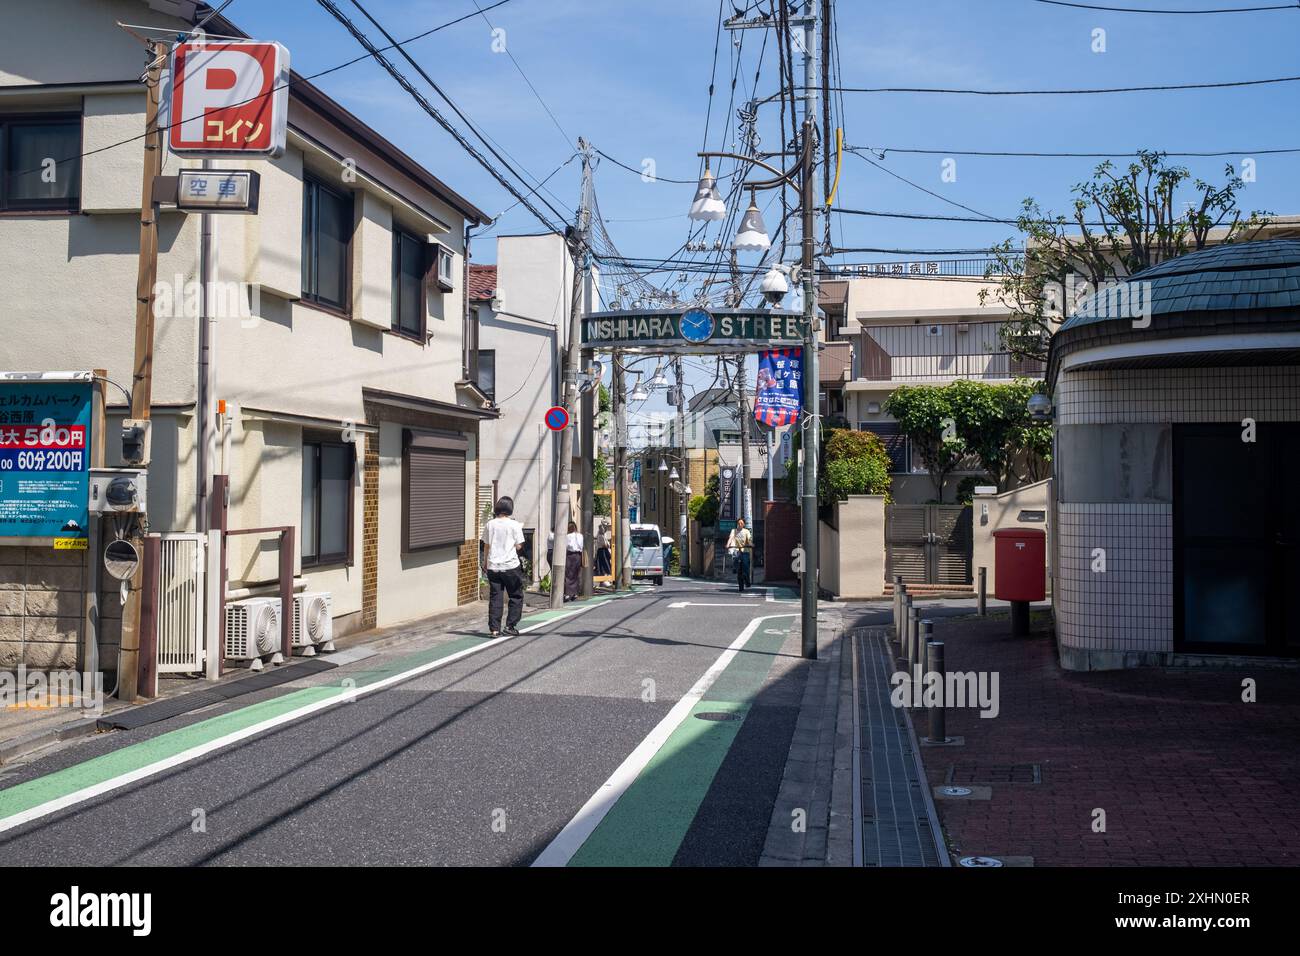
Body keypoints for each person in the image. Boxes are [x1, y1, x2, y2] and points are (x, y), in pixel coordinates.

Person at [480, 497, 525, 636]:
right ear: (510, 509)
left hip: (493, 566)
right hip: (510, 566)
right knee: (516, 596)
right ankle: (510, 626)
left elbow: (486, 545)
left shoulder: (490, 524)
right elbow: (518, 546)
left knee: (495, 597)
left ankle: (494, 629)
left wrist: (485, 562)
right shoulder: (514, 525)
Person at [727, 517, 754, 593]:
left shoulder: (746, 531)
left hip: (745, 551)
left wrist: (751, 544)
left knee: (745, 567)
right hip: (737, 550)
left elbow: (749, 540)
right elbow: (731, 538)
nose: (740, 524)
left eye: (741, 523)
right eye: (738, 523)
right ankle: (740, 586)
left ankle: (747, 581)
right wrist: (728, 544)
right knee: (738, 568)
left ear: (744, 524)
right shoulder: (734, 531)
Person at [563, 520, 584, 602]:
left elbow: (566, 546)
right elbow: (581, 546)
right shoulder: (580, 535)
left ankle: (567, 594)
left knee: (568, 574)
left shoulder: (567, 536)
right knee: (576, 574)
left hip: (570, 555)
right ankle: (575, 593)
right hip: (578, 555)